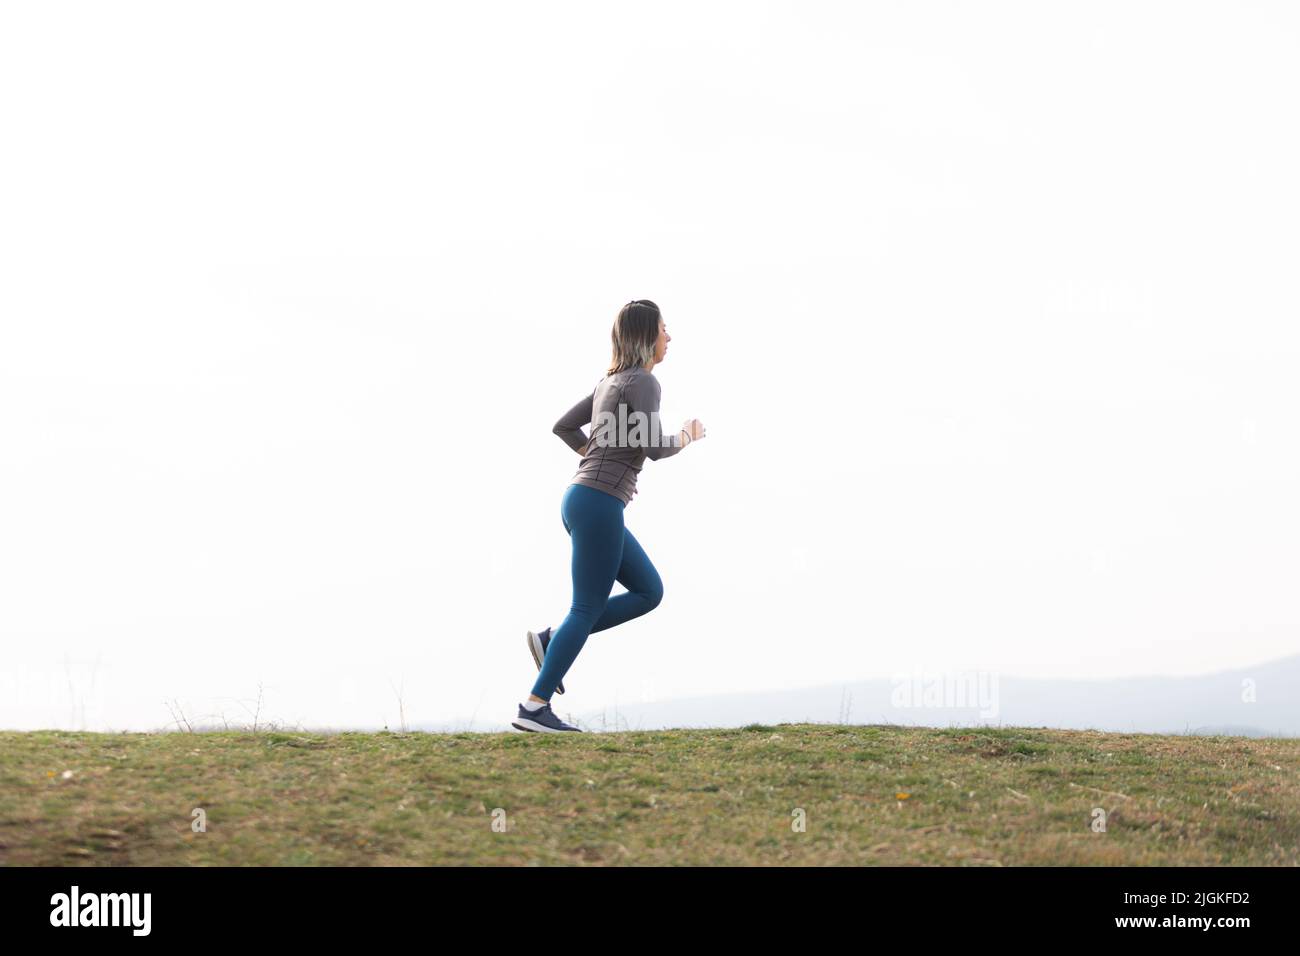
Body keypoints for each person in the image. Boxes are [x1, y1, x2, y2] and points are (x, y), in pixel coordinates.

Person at [511, 299, 706, 733]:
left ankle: (550, 641)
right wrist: (688, 436)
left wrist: (597, 457)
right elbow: (655, 447)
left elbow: (564, 426)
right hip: (597, 501)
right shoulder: (644, 383)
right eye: (663, 329)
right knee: (586, 607)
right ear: (645, 337)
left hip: (586, 499)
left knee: (648, 590)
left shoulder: (610, 382)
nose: (669, 337)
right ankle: (534, 707)